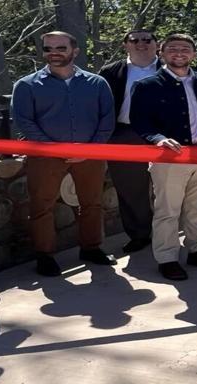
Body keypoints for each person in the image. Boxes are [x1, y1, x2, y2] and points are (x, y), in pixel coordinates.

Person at [11, 30, 117, 277]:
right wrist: (53, 149)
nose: (53, 53)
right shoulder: (26, 85)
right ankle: (45, 255)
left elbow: (107, 119)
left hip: (89, 154)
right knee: (41, 205)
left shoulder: (97, 83)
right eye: (48, 49)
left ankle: (91, 248)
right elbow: (24, 121)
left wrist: (90, 149)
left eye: (60, 48)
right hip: (45, 156)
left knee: (92, 202)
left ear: (75, 51)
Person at [130, 32, 197, 281]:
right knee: (167, 209)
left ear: (194, 54)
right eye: (173, 48)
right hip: (170, 157)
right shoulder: (146, 86)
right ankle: (167, 258)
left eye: (185, 48)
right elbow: (140, 121)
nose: (179, 53)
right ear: (162, 53)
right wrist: (157, 139)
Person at [98, 28, 162, 254]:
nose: (141, 43)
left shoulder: (170, 68)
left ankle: (171, 233)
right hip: (124, 135)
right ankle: (139, 234)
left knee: (171, 188)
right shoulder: (110, 71)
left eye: (147, 39)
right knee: (130, 191)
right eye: (134, 40)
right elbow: (99, 105)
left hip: (165, 137)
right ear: (126, 45)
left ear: (157, 44)